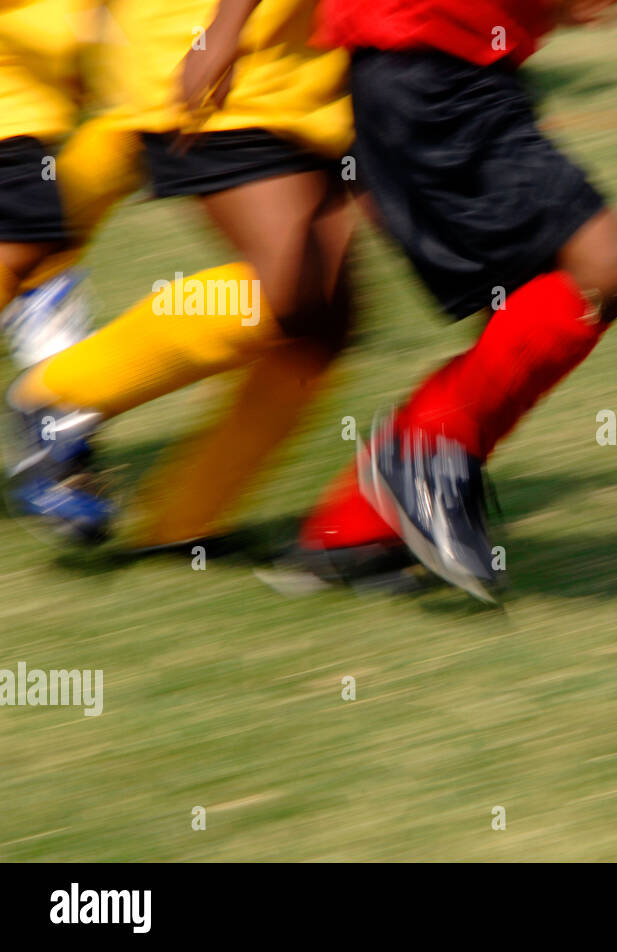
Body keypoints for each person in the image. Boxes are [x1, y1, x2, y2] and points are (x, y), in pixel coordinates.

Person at [191, 0, 617, 601]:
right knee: (604, 268)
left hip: (464, 72)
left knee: (528, 305)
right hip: (426, 72)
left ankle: (352, 531)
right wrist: (222, 32)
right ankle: (422, 457)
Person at [5, 0, 357, 550]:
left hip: (302, 58)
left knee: (324, 319)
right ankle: (61, 395)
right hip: (224, 67)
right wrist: (223, 29)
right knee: (288, 291)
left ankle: (183, 524)